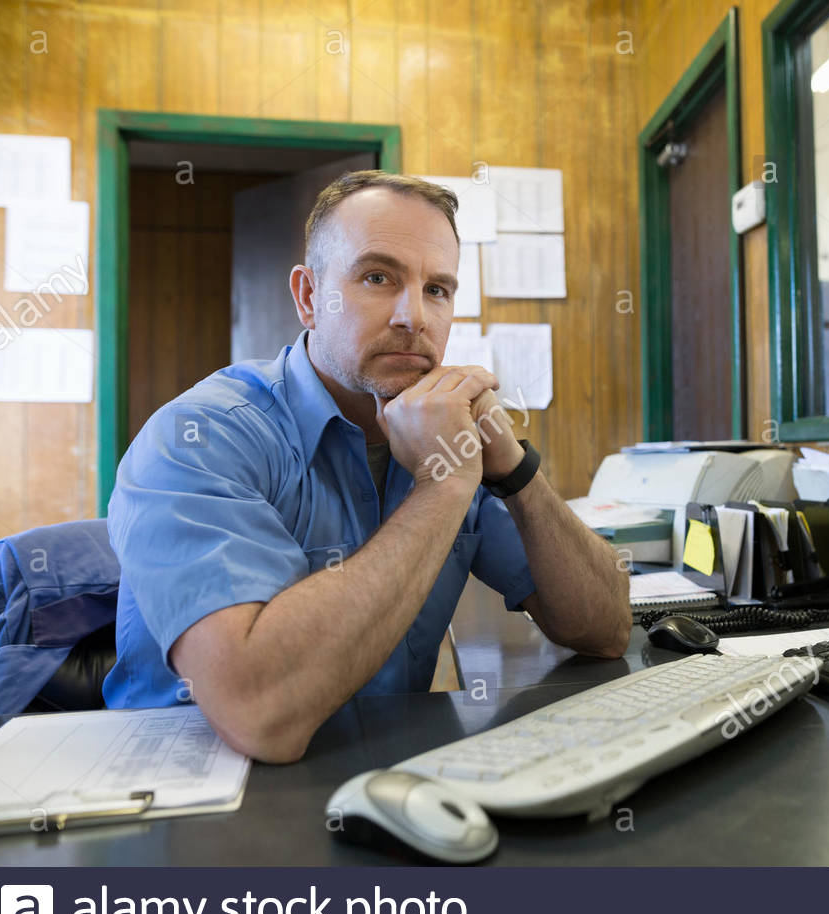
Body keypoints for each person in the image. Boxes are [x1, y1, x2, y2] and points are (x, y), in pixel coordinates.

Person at [103, 171, 631, 762]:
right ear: (308, 297)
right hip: (200, 793)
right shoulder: (200, 437)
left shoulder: (442, 427)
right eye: (378, 277)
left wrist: (513, 468)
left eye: (438, 289)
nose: (415, 317)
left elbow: (606, 629)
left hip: (380, 774)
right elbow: (259, 716)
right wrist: (443, 485)